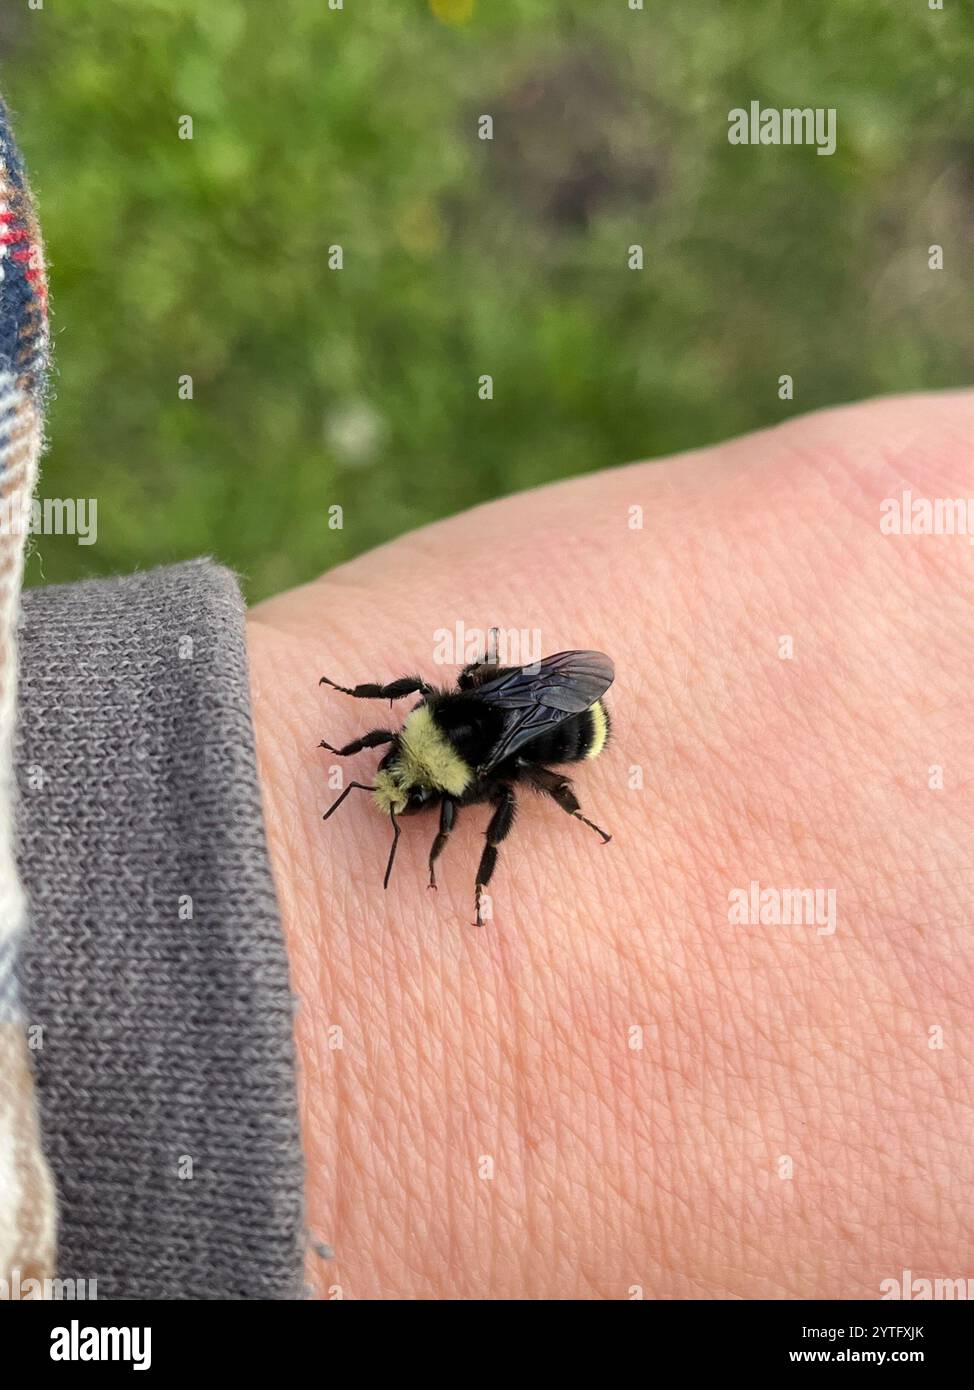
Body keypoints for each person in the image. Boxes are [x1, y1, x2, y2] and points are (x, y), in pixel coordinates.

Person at [4, 97, 973, 1301]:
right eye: (401, 777)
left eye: (402, 782)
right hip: (535, 693)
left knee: (535, 791)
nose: (393, 780)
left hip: (565, 713)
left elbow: (487, 766)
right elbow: (432, 709)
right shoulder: (427, 738)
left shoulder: (482, 775)